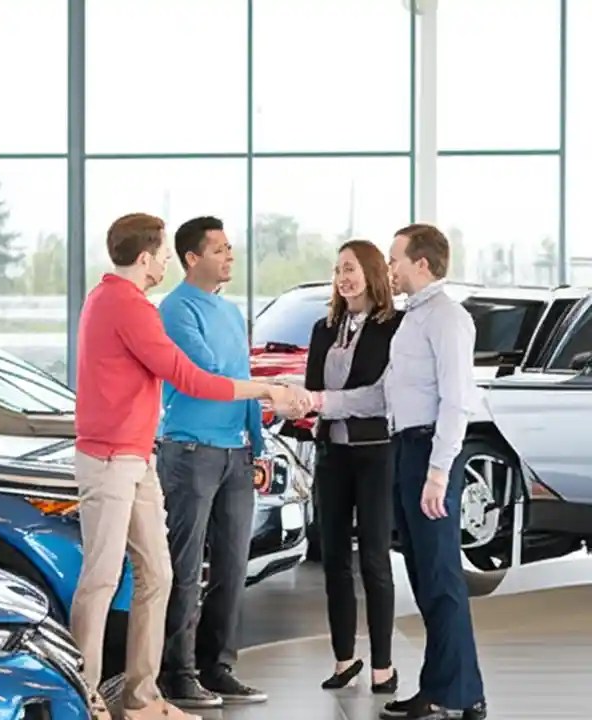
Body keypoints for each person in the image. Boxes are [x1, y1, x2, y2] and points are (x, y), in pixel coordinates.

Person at [72, 212, 306, 720]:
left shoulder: (123, 301)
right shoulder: (125, 305)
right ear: (145, 258)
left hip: (138, 457)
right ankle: (85, 696)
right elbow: (193, 378)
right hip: (111, 460)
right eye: (160, 254)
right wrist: (269, 389)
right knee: (101, 580)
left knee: (157, 572)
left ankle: (142, 697)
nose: (164, 263)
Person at [154, 216, 269, 710]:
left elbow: (241, 378)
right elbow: (210, 372)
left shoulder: (229, 312)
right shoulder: (175, 310)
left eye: (229, 248)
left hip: (235, 452)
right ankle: (175, 672)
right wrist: (269, 393)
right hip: (191, 452)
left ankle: (216, 666)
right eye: (219, 249)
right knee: (184, 567)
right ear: (191, 258)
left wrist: (257, 446)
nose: (229, 256)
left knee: (232, 565)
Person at [378, 224, 487, 720]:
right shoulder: (413, 319)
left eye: (395, 258)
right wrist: (318, 399)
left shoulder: (446, 318)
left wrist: (439, 472)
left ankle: (450, 693)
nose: (390, 267)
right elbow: (390, 392)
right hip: (408, 449)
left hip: (429, 454)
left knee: (440, 576)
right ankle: (457, 689)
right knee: (426, 576)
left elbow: (457, 400)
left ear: (422, 263)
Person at [301, 239, 403, 694]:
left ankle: (383, 667)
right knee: (335, 561)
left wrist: (327, 402)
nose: (344, 277)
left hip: (376, 453)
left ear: (373, 273)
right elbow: (311, 390)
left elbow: (379, 398)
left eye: (352, 268)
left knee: (376, 561)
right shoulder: (324, 328)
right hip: (332, 454)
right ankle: (345, 661)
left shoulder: (395, 327)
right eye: (339, 268)